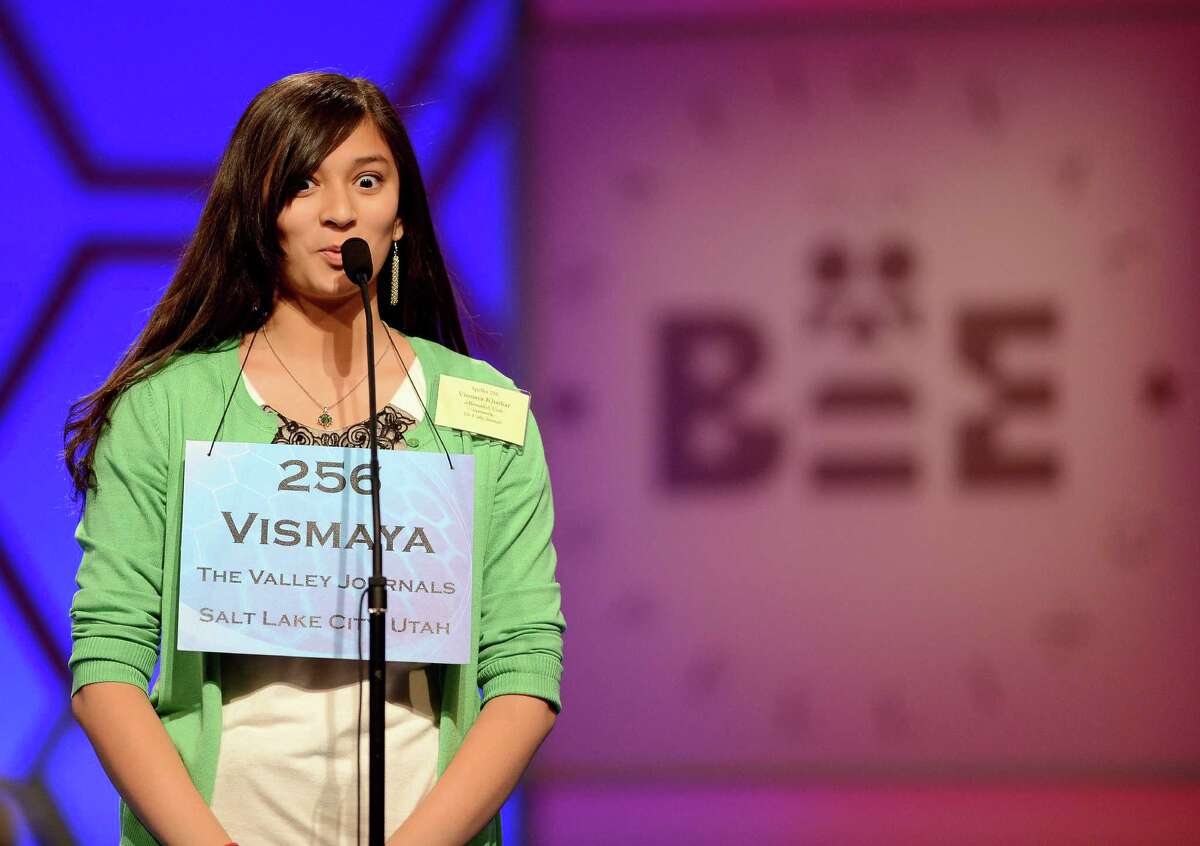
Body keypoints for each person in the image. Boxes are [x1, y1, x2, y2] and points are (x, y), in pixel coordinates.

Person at [62, 72, 565, 846]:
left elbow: (525, 665)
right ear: (256, 212)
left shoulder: (481, 412)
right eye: (303, 183)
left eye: (368, 180)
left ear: (400, 220)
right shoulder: (168, 408)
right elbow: (106, 666)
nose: (340, 211)